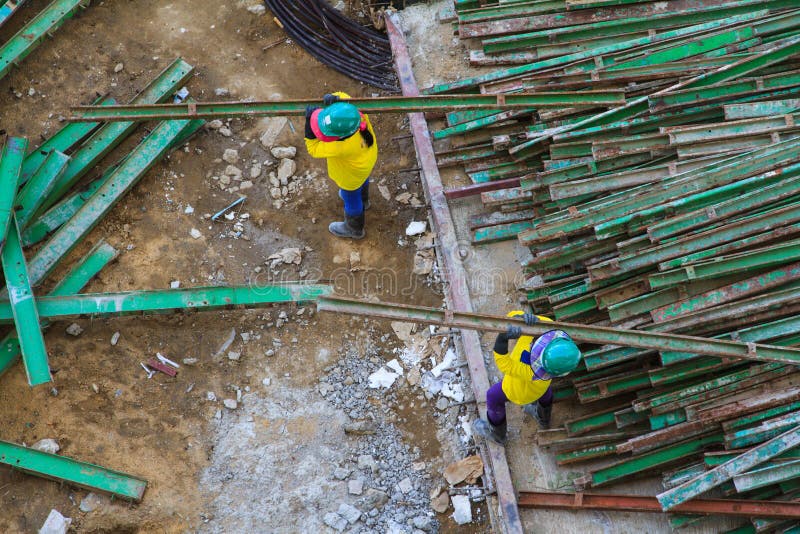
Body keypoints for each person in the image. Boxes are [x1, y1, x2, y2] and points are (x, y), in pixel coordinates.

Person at [472, 311, 582, 446]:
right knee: (546, 393)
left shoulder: (528, 370)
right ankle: (543, 419)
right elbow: (513, 314)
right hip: (541, 388)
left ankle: (497, 435)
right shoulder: (550, 330)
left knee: (493, 396)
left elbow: (503, 363)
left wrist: (502, 338)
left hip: (519, 391)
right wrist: (521, 317)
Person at [304, 92, 378, 240]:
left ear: (339, 136)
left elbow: (313, 149)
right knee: (362, 181)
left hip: (350, 176)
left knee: (351, 198)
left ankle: (354, 228)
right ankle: (364, 200)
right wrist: (335, 97)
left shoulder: (340, 146)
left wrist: (308, 123)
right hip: (365, 162)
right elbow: (345, 99)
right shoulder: (357, 116)